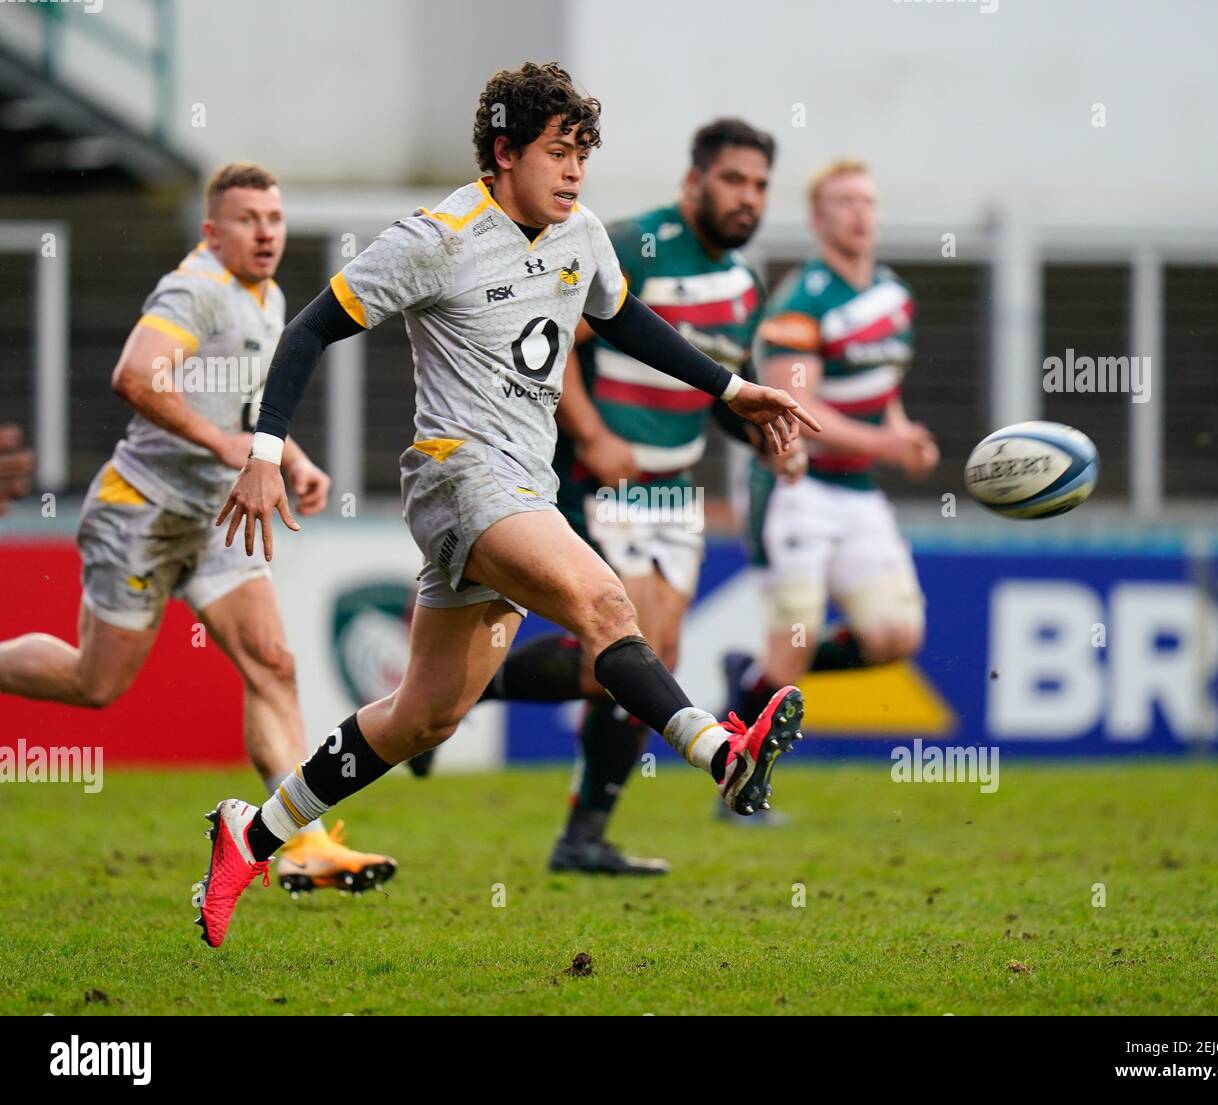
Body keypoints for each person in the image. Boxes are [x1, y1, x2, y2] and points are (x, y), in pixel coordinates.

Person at [195, 63, 817, 948]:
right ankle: (724, 754)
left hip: (527, 484)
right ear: (503, 153)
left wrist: (732, 387)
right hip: (458, 478)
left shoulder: (581, 233)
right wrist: (263, 451)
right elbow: (309, 330)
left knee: (424, 715)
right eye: (558, 153)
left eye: (582, 156)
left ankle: (247, 837)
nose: (573, 172)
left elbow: (624, 315)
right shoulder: (438, 235)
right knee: (608, 603)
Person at [0, 163, 396, 898]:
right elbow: (135, 373)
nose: (267, 232)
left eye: (274, 218)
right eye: (248, 219)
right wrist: (225, 450)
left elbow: (242, 407)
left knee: (272, 663)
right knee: (96, 682)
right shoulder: (197, 288)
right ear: (213, 230)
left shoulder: (268, 295)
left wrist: (288, 455)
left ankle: (301, 842)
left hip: (215, 515)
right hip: (142, 510)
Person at [410, 118, 781, 873]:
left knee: (640, 657)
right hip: (599, 481)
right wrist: (591, 432)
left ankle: (569, 813)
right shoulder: (635, 244)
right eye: (734, 179)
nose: (749, 198)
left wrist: (763, 433)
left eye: (761, 185)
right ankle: (485, 726)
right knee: (622, 644)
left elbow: (709, 387)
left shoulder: (747, 284)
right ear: (694, 181)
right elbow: (550, 339)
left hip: (672, 490)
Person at [724, 160, 938, 731]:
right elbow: (802, 408)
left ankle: (753, 678)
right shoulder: (803, 300)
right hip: (798, 489)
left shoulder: (895, 296)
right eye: (843, 202)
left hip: (858, 492)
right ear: (818, 220)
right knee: (793, 639)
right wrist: (886, 446)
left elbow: (879, 388)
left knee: (896, 634)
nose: (859, 212)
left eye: (867, 200)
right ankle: (739, 783)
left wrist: (903, 433)